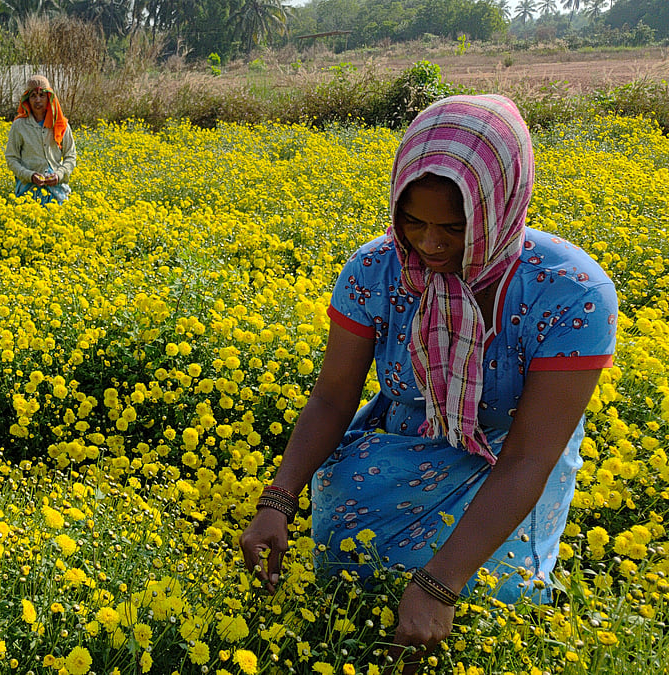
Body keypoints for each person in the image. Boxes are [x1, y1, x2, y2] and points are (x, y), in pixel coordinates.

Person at [239, 95, 617, 669]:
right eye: (412, 222)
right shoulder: (376, 269)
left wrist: (441, 584)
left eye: (455, 227)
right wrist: (279, 499)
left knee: (491, 604)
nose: (431, 244)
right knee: (349, 571)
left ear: (502, 207)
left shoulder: (571, 293)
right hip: (402, 440)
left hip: (508, 461)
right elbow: (333, 397)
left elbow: (529, 458)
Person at [5, 75, 76, 205]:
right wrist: (29, 175)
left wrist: (59, 175)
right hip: (28, 191)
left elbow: (70, 156)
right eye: (33, 96)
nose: (38, 100)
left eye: (42, 95)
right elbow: (11, 158)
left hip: (57, 190)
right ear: (27, 99)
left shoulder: (61, 124)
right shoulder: (19, 125)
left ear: (49, 97)